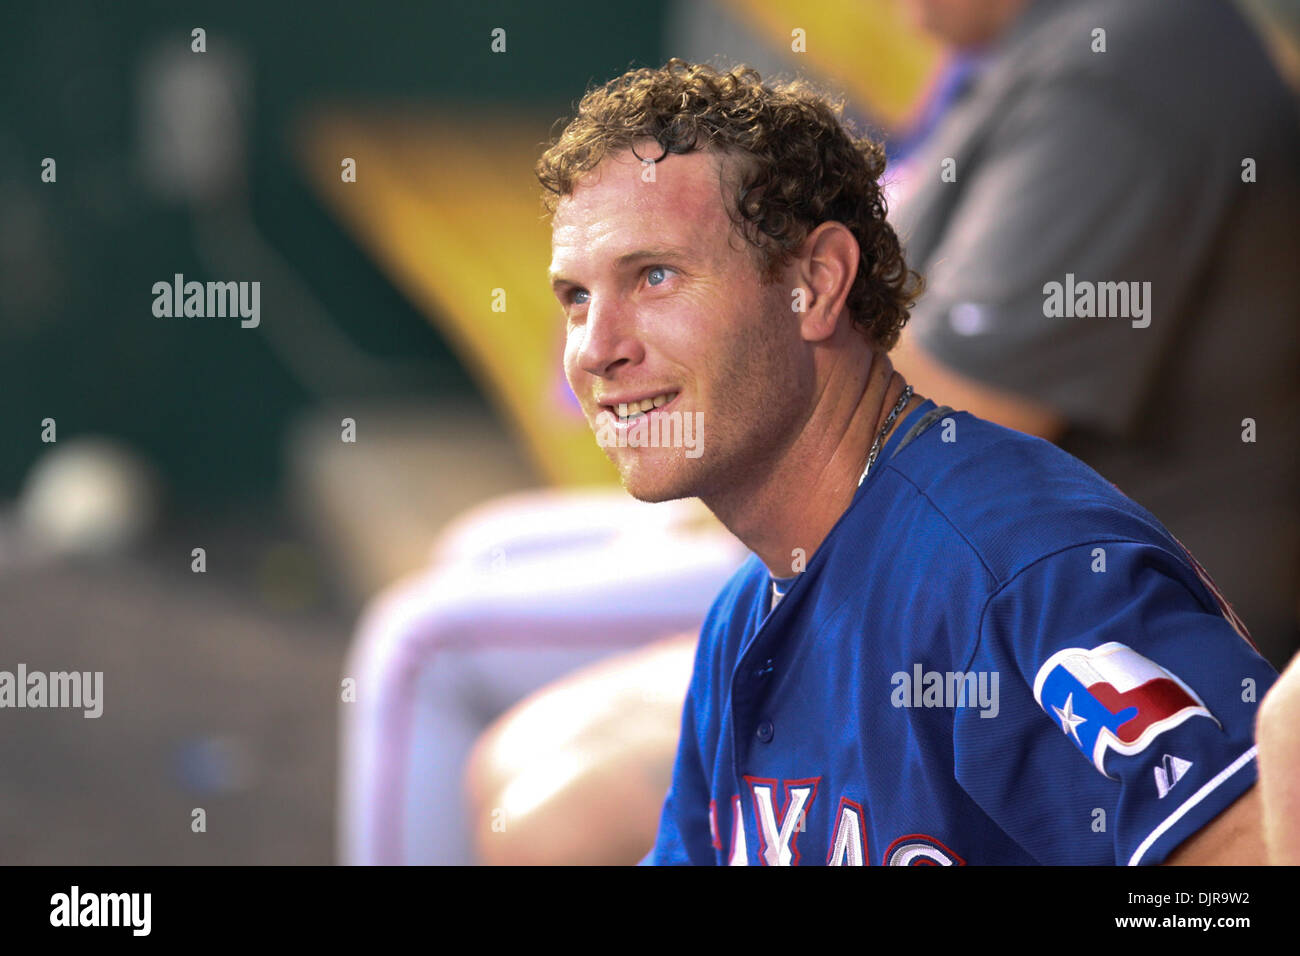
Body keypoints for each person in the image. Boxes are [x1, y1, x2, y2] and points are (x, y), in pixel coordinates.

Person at [528, 58, 1275, 865]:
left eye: (656, 276)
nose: (598, 349)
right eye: (576, 297)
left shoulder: (1025, 575)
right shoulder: (747, 614)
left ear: (814, 286)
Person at [888, 0, 1300, 670]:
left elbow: (955, 424)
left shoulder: (1123, 66)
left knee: (673, 742)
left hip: (1130, 679)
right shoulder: (1062, 45)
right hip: (1023, 622)